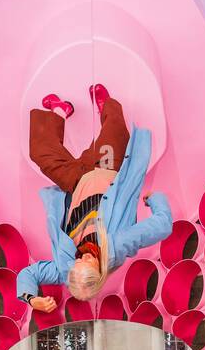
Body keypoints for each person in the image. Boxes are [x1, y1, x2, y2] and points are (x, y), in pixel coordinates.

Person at [17, 85, 173, 309]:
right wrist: (155, 199)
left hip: (77, 181)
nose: (81, 258)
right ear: (99, 273)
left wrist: (32, 299)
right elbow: (163, 226)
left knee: (41, 153)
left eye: (77, 262)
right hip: (106, 172)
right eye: (87, 261)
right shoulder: (118, 244)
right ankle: (105, 106)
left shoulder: (66, 267)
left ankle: (61, 111)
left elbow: (29, 273)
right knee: (114, 132)